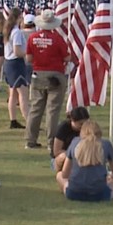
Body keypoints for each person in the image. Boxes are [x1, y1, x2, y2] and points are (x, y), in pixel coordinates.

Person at [24, 9, 71, 149]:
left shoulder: (32, 37)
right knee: (53, 110)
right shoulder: (57, 38)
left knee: (35, 108)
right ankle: (52, 142)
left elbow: (29, 58)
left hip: (38, 74)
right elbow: (67, 57)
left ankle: (30, 140)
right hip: (55, 74)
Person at [56, 120, 113, 201]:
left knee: (59, 175)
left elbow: (65, 174)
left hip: (73, 194)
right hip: (100, 195)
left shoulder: (75, 142)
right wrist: (109, 177)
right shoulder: (106, 144)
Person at [2, 9, 29, 130]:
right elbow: (17, 51)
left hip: (8, 63)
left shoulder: (9, 31)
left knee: (13, 93)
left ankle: (13, 120)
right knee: (22, 94)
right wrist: (28, 53)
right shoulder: (17, 32)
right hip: (16, 64)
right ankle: (29, 121)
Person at [50, 105, 90, 172]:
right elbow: (56, 151)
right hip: (61, 158)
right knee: (64, 156)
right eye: (80, 124)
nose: (83, 126)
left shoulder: (88, 128)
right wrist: (75, 153)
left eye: (85, 123)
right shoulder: (63, 128)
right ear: (72, 120)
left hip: (81, 157)